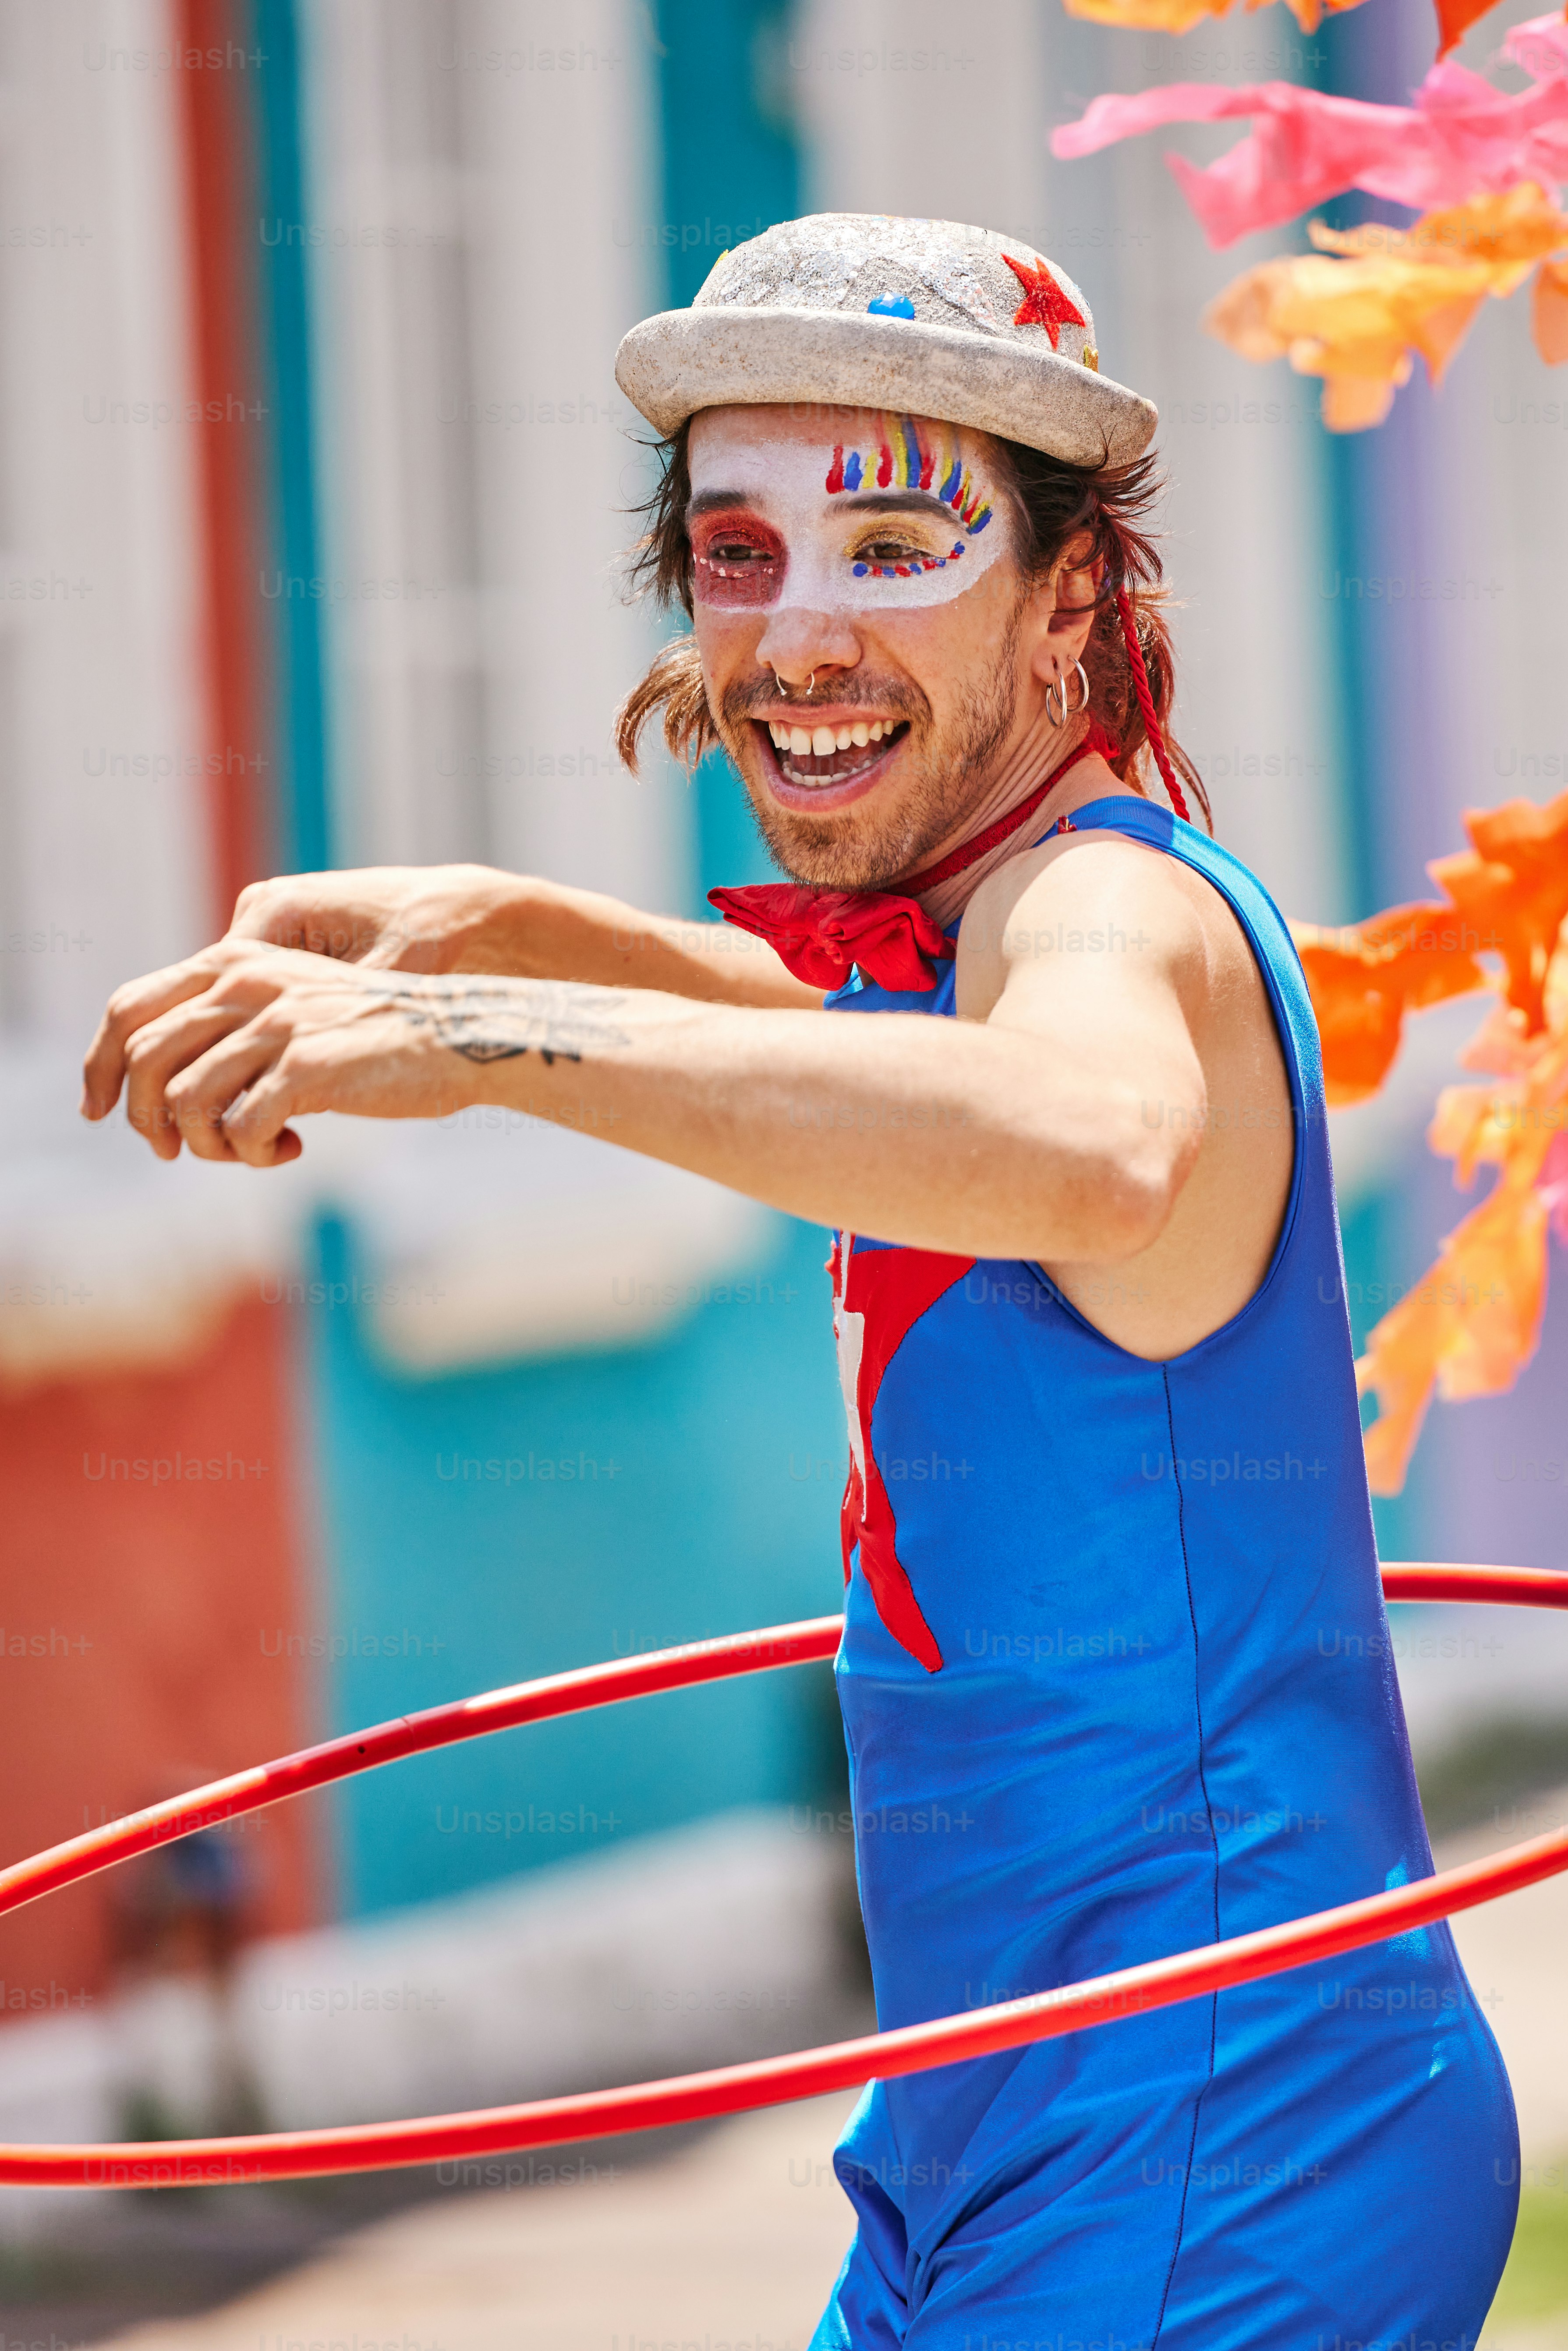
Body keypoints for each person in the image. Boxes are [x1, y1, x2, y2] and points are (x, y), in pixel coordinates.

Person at [82, 214, 1516, 2348]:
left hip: (1218, 2135)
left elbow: (1089, 1138)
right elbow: (846, 1031)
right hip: (984, 2137)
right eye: (739, 553)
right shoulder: (974, 925)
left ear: (1073, 601)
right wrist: (501, 928)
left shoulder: (1114, 926)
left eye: (896, 541)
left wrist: (478, 1048)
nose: (798, 634)